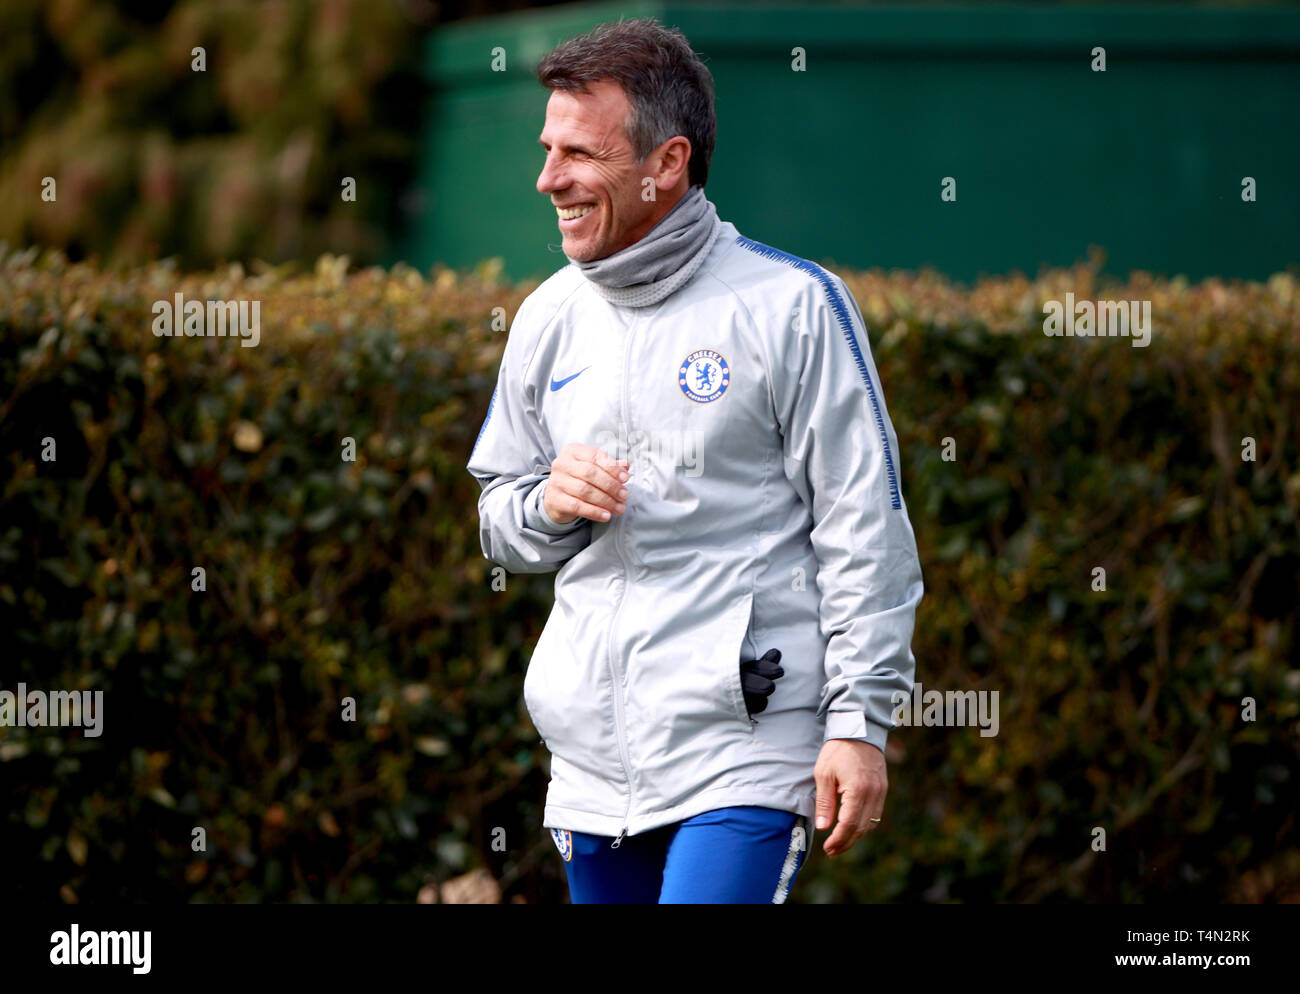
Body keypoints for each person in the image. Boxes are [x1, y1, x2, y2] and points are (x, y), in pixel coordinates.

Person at [466, 18, 924, 904]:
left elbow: (865, 530)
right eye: (546, 148)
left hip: (748, 746)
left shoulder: (794, 306)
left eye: (579, 154)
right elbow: (499, 519)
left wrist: (859, 723)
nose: (547, 179)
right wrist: (546, 508)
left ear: (667, 163)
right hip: (593, 760)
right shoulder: (545, 317)